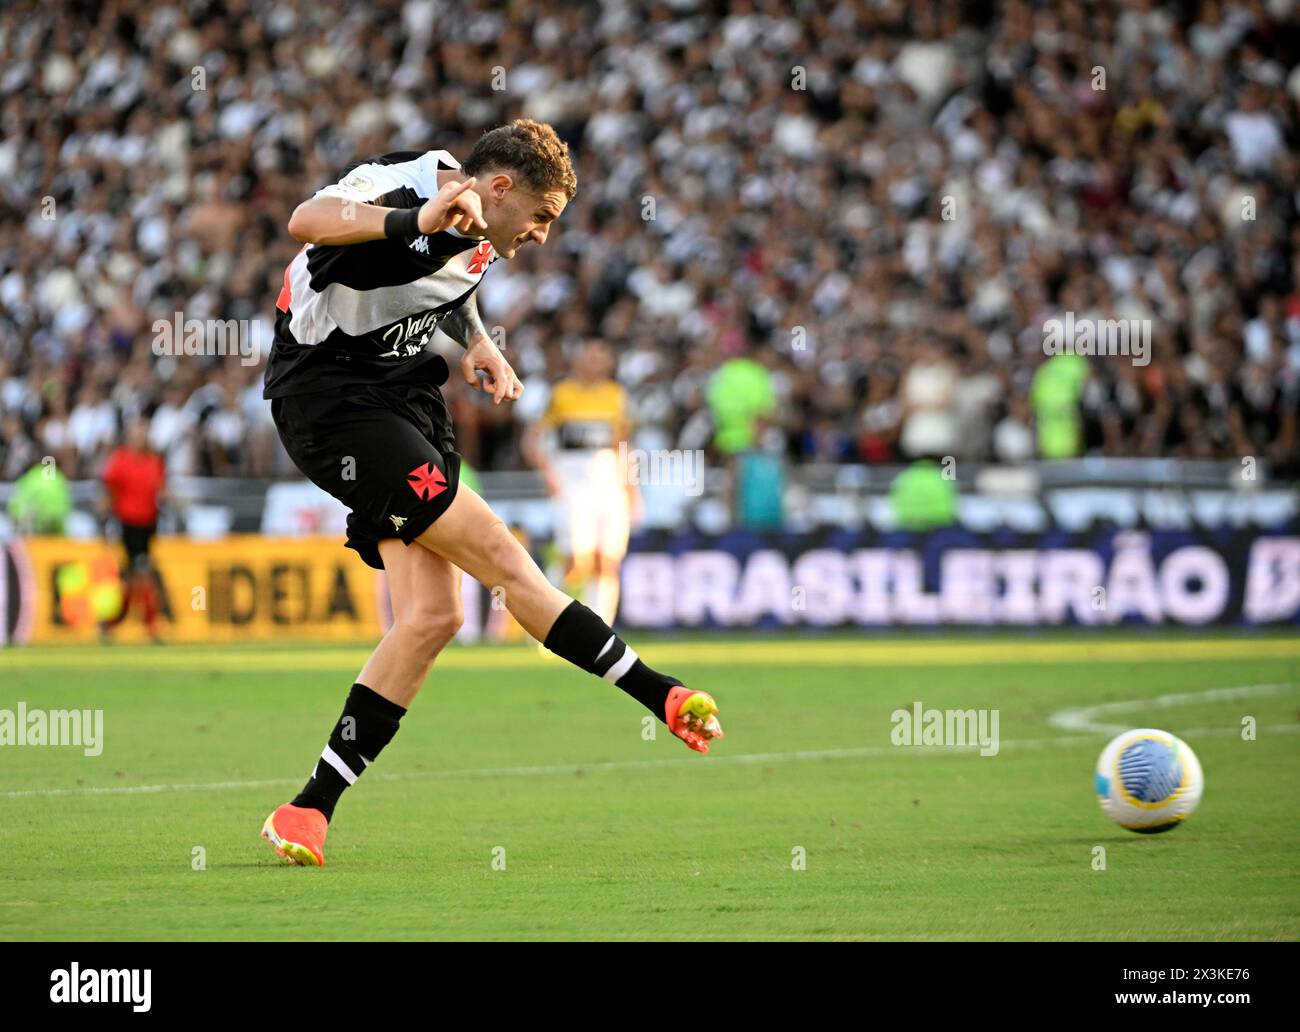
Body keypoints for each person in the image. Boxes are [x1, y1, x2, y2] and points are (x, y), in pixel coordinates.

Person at [259, 119, 723, 867]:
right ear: (499, 188)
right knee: (506, 562)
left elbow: (447, 281)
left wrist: (476, 339)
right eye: (540, 217)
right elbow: (307, 221)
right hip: (333, 401)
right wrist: (416, 219)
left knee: (433, 618)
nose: (541, 235)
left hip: (405, 395)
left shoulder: (484, 233)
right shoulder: (405, 181)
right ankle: (660, 692)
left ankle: (307, 808)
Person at [524, 339, 638, 625]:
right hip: (573, 482)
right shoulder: (562, 394)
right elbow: (532, 439)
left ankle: (601, 630)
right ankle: (544, 618)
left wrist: (631, 487)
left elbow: (622, 444)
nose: (595, 363)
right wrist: (547, 473)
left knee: (607, 560)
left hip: (609, 481)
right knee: (575, 560)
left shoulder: (616, 395)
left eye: (601, 357)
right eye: (589, 356)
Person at [99, 420, 167, 644]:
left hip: (148, 525)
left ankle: (110, 625)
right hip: (128, 525)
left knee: (132, 580)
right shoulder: (121, 460)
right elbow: (108, 492)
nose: (141, 437)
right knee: (143, 576)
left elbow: (161, 491)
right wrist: (106, 520)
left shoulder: (154, 461)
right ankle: (151, 627)